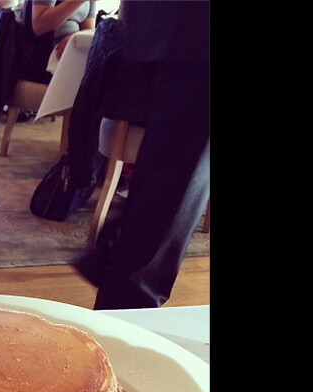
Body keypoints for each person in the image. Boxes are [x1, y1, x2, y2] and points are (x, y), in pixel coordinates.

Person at [72, 0, 210, 309]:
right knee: (174, 184)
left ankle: (115, 263)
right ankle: (124, 307)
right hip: (194, 33)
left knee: (166, 177)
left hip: (161, 28)